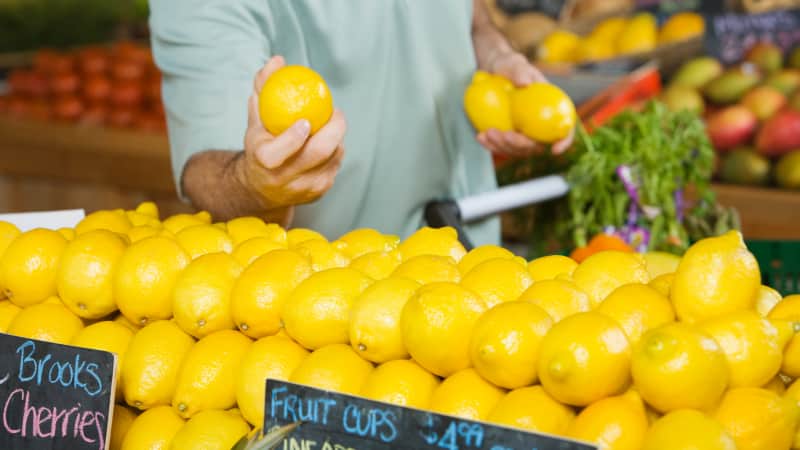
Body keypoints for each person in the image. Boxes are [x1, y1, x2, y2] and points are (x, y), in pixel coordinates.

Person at [149, 0, 573, 245]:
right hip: (339, 315)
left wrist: (494, 51)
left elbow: (470, 15)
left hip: (473, 258)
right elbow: (205, 168)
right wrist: (257, 183)